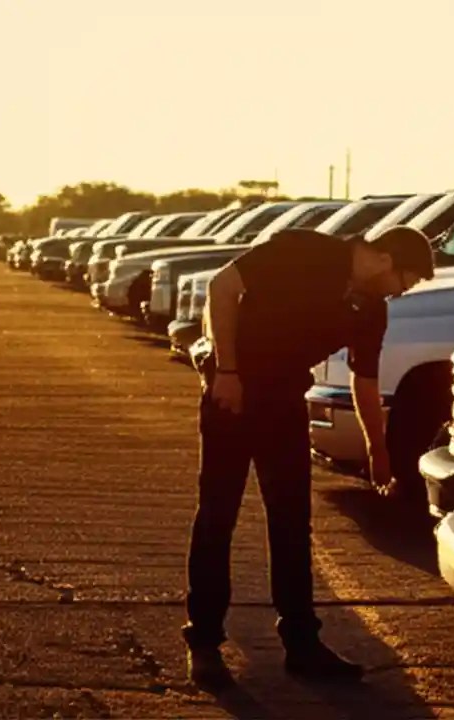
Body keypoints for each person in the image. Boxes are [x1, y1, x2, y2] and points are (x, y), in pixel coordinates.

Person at [183, 226, 433, 688]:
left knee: (292, 523)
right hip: (231, 395)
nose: (402, 292)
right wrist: (229, 371)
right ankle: (204, 643)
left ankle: (302, 644)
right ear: (385, 260)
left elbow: (365, 382)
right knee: (218, 516)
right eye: (407, 281)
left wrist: (378, 452)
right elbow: (224, 286)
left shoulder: (370, 311)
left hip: (283, 405)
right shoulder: (305, 250)